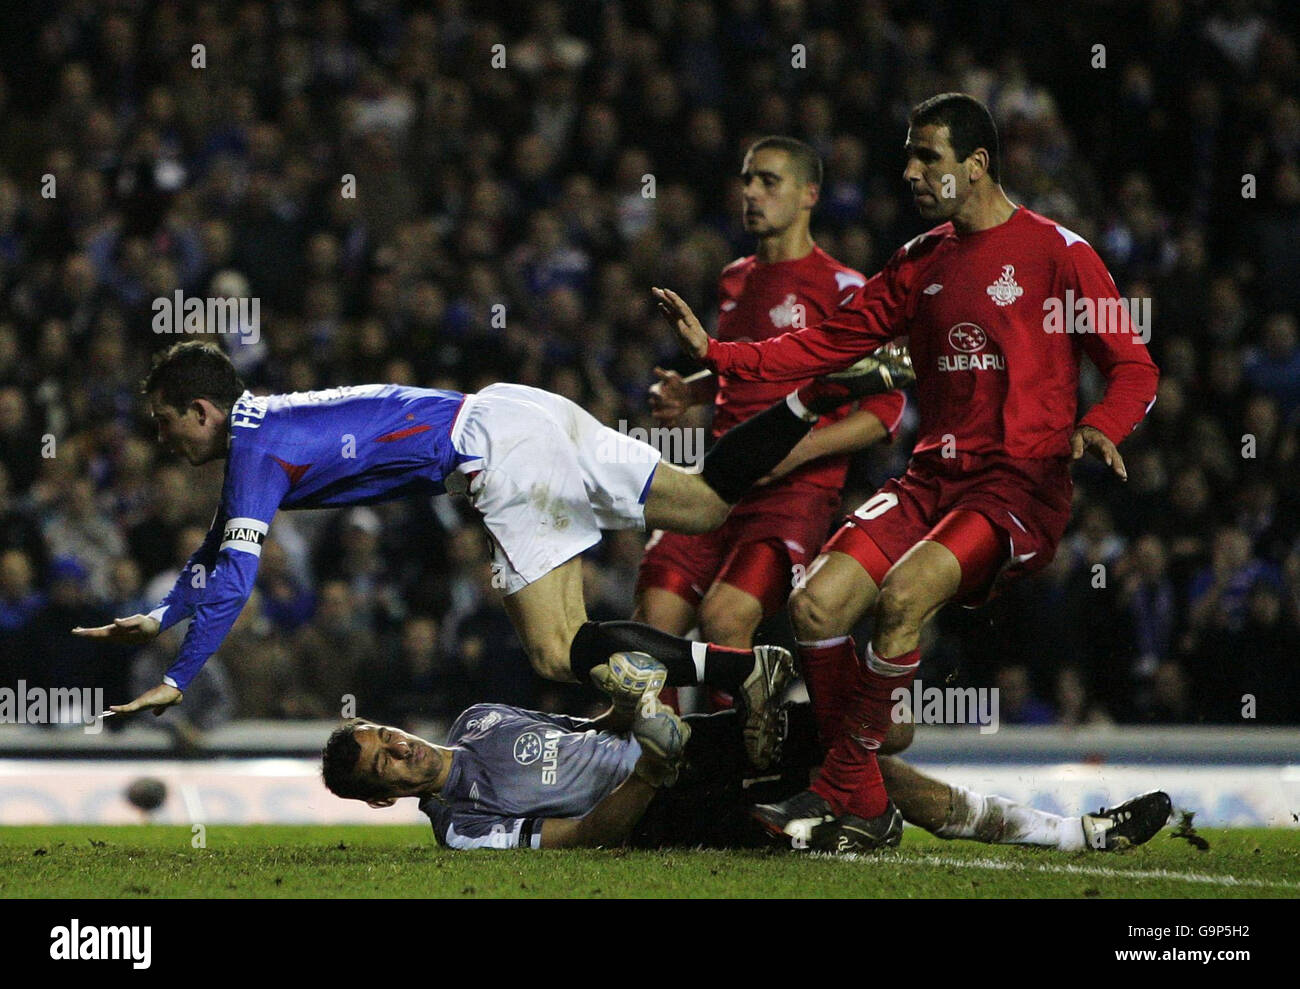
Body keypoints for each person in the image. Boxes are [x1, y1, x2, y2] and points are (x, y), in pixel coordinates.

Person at [655, 92, 1159, 849]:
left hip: (1016, 488)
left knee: (904, 593)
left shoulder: (1058, 253)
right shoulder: (922, 262)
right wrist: (718, 355)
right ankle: (858, 784)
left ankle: (842, 785)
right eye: (909, 155)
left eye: (929, 156)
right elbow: (826, 344)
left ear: (977, 164)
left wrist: (1099, 425)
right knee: (816, 605)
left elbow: (1133, 365)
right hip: (932, 481)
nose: (912, 170)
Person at [71, 339, 909, 766]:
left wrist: (180, 677)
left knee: (554, 649)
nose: (160, 438)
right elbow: (217, 552)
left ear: (201, 409)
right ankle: (816, 393)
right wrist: (156, 618)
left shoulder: (255, 454)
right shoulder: (263, 428)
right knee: (705, 499)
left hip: (494, 454)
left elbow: (237, 580)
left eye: (164, 421)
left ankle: (739, 672)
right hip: (520, 410)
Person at [320, 651, 1172, 852]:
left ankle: (837, 814)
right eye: (382, 763)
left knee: (882, 736)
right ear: (380, 799)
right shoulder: (460, 826)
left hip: (670, 745)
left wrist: (624, 711)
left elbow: (579, 737)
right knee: (853, 780)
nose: (398, 748)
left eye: (385, 735)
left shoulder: (474, 718)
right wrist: (651, 766)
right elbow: (579, 841)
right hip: (661, 800)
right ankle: (1081, 838)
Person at [636, 136, 906, 713]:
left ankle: (730, 779)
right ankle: (658, 773)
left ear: (810, 194)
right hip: (720, 480)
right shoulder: (735, 277)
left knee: (724, 617)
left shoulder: (845, 289)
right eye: (746, 179)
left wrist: (797, 450)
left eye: (768, 181)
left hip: (793, 495)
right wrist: (693, 391)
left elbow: (884, 415)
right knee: (655, 617)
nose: (751, 193)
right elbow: (746, 365)